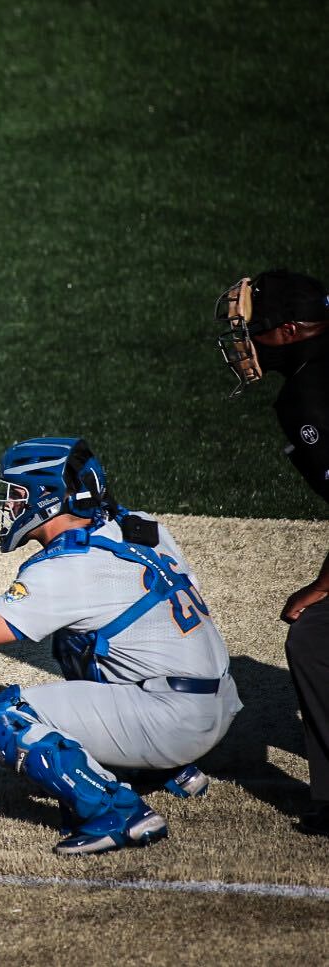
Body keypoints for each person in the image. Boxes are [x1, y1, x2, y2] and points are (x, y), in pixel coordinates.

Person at [0, 437, 241, 855]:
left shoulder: (66, 570)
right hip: (215, 700)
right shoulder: (139, 525)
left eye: (17, 494)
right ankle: (169, 771)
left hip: (174, 719)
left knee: (7, 716)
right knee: (76, 643)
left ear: (48, 497)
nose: (8, 507)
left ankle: (119, 813)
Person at [215, 268, 329, 836]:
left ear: (287, 331)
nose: (243, 342)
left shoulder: (308, 395)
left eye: (252, 329)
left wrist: (324, 585)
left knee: (314, 635)